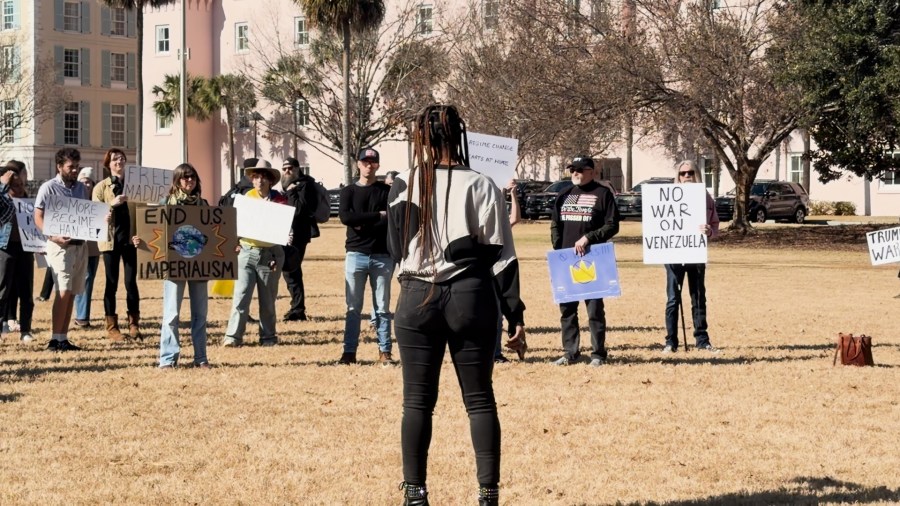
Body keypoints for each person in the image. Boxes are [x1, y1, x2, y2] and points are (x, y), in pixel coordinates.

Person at [388, 104, 526, 506]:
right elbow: (502, 255)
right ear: (459, 135)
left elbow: (394, 248)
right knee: (480, 398)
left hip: (416, 297)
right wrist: (514, 314)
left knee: (417, 401)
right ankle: (488, 494)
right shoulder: (482, 183)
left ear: (423, 139)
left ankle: (414, 494)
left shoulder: (405, 184)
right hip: (470, 296)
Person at [550, 155, 620, 367]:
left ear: (592, 171)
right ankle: (570, 352)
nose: (575, 174)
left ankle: (598, 353)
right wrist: (558, 247)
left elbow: (612, 225)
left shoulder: (603, 194)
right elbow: (555, 223)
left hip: (593, 260)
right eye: (572, 170)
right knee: (567, 309)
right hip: (566, 260)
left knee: (594, 309)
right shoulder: (564, 194)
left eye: (580, 170)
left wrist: (589, 238)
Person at [144, 164, 211, 368]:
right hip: (174, 267)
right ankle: (167, 359)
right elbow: (152, 230)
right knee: (171, 313)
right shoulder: (165, 204)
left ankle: (201, 358)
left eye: (192, 177)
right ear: (177, 181)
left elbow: (213, 235)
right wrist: (141, 241)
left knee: (200, 314)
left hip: (199, 265)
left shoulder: (204, 205)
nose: (189, 181)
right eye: (184, 177)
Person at [338, 147, 395, 366]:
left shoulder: (386, 191)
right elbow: (345, 217)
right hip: (356, 254)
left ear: (378, 165)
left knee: (382, 307)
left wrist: (362, 220)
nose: (368, 165)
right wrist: (376, 216)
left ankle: (385, 351)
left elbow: (390, 218)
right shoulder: (349, 192)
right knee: (353, 307)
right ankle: (349, 352)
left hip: (382, 255)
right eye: (365, 162)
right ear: (358, 164)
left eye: (372, 162)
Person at [222, 159, 286, 347]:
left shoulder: (279, 200)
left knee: (267, 300)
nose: (260, 181)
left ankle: (268, 337)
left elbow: (283, 227)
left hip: (270, 254)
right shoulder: (245, 199)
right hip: (247, 252)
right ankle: (233, 337)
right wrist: (234, 243)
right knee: (241, 297)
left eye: (264, 177)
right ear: (252, 179)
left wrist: (277, 253)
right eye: (256, 177)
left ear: (271, 181)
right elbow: (234, 224)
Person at [33, 148, 90, 351]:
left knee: (72, 292)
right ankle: (54, 340)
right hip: (59, 246)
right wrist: (52, 236)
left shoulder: (81, 189)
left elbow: (87, 215)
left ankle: (63, 338)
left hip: (79, 245)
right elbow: (37, 217)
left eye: (77, 166)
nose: (75, 170)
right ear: (60, 166)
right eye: (71, 167)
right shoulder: (48, 188)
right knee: (63, 291)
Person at [662, 160, 720, 353]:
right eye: (682, 173)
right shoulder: (665, 198)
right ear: (677, 177)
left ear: (697, 175)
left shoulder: (705, 197)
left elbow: (715, 225)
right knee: (672, 299)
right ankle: (671, 341)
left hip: (695, 254)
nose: (686, 176)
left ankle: (702, 340)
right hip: (673, 255)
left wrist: (709, 231)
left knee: (698, 297)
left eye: (690, 172)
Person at [93, 149, 141, 342]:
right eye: (115, 159)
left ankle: (134, 325)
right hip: (110, 241)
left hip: (129, 241)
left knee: (131, 283)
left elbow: (141, 212)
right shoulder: (100, 188)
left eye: (122, 158)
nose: (119, 161)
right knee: (111, 283)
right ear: (108, 164)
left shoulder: (134, 186)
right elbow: (95, 215)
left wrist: (138, 235)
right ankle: (112, 327)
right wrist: (111, 204)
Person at [0, 161, 34, 343]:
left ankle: (26, 329)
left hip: (26, 248)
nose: (20, 188)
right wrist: (2, 185)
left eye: (21, 185)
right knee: (2, 289)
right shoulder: (3, 201)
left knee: (26, 290)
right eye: (15, 185)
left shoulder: (29, 204)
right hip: (5, 247)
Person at [280, 157, 316, 322]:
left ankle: (298, 310)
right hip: (285, 232)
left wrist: (292, 192)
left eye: (290, 168)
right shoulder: (287, 186)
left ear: (297, 169)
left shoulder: (305, 185)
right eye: (284, 168)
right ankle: (297, 308)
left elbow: (299, 210)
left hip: (299, 234)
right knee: (289, 271)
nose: (287, 171)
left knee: (291, 270)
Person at [494, 178, 524, 364]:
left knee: (507, 308)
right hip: (486, 269)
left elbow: (515, 218)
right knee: (495, 313)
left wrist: (513, 196)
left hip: (504, 267)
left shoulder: (502, 222)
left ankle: (501, 350)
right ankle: (495, 351)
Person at [73, 167, 100, 328]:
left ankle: (83, 316)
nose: (86, 185)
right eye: (83, 182)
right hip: (75, 244)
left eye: (89, 182)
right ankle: (80, 316)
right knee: (79, 279)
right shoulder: (73, 198)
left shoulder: (98, 201)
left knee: (88, 279)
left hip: (93, 246)